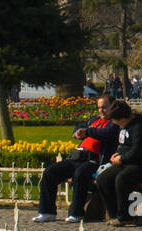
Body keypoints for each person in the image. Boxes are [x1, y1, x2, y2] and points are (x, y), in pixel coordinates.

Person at [35, 94, 120, 223]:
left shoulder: (114, 122)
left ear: (112, 107)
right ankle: (47, 212)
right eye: (99, 108)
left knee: (80, 174)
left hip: (95, 160)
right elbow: (80, 126)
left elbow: (107, 134)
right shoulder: (94, 120)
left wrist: (88, 132)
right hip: (78, 156)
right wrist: (78, 132)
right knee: (50, 172)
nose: (101, 111)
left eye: (104, 107)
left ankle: (77, 213)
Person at [95, 99, 142, 227]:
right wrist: (117, 154)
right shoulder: (124, 127)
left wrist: (122, 159)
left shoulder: (140, 128)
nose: (115, 123)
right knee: (102, 179)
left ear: (123, 118)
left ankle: (125, 217)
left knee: (121, 179)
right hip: (127, 163)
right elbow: (123, 145)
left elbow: (138, 151)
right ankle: (113, 214)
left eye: (116, 120)